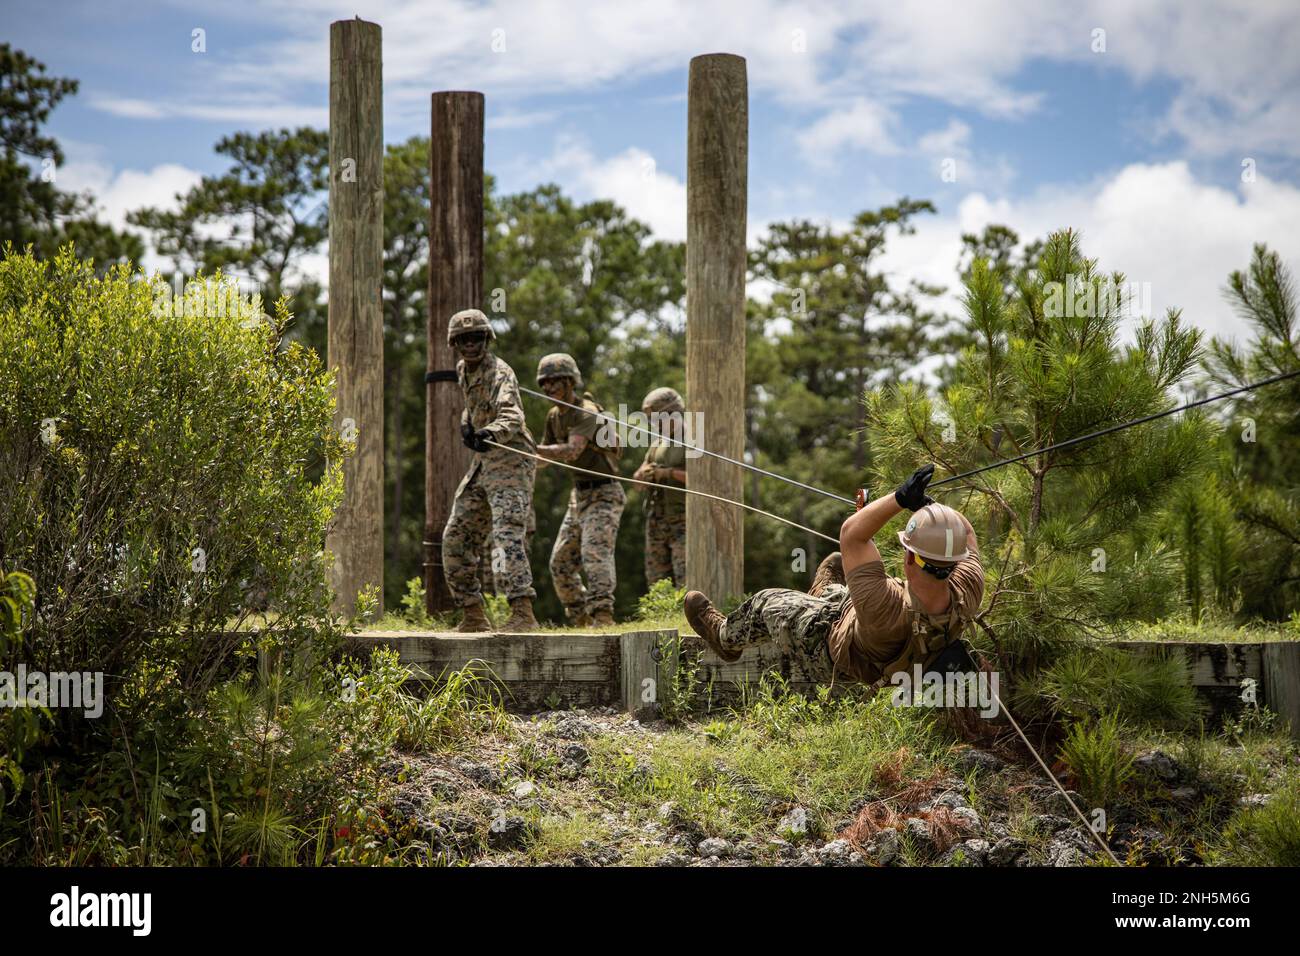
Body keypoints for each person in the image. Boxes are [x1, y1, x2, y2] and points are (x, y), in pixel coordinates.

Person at [682, 464, 985, 685]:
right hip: (863, 621)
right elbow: (965, 532)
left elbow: (852, 534)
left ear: (908, 557)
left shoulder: (885, 603)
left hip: (831, 655)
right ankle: (820, 600)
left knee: (765, 602)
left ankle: (725, 639)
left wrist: (903, 499)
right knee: (837, 564)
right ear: (955, 561)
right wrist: (935, 518)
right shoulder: (967, 590)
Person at [441, 309, 539, 632]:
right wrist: (467, 425)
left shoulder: (501, 373)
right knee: (456, 534)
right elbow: (472, 409)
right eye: (464, 339)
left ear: (487, 339)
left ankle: (523, 613)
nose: (471, 345)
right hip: (484, 463)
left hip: (512, 459)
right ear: (455, 343)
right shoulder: (462, 370)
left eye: (477, 338)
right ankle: (472, 614)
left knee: (507, 534)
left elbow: (513, 417)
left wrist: (488, 433)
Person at [535, 353, 626, 627]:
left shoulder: (585, 412)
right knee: (560, 562)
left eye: (555, 383)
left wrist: (531, 448)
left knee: (593, 553)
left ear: (570, 382)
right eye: (545, 384)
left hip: (604, 494)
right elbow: (544, 458)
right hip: (579, 496)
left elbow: (572, 451)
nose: (549, 389)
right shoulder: (554, 417)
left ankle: (603, 616)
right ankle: (581, 619)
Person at [632, 387, 688, 588]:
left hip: (683, 519)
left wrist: (668, 473)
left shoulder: (691, 438)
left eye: (656, 418)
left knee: (686, 578)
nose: (653, 424)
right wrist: (644, 475)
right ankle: (660, 615)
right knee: (657, 582)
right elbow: (637, 481)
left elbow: (702, 481)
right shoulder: (657, 444)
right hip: (657, 519)